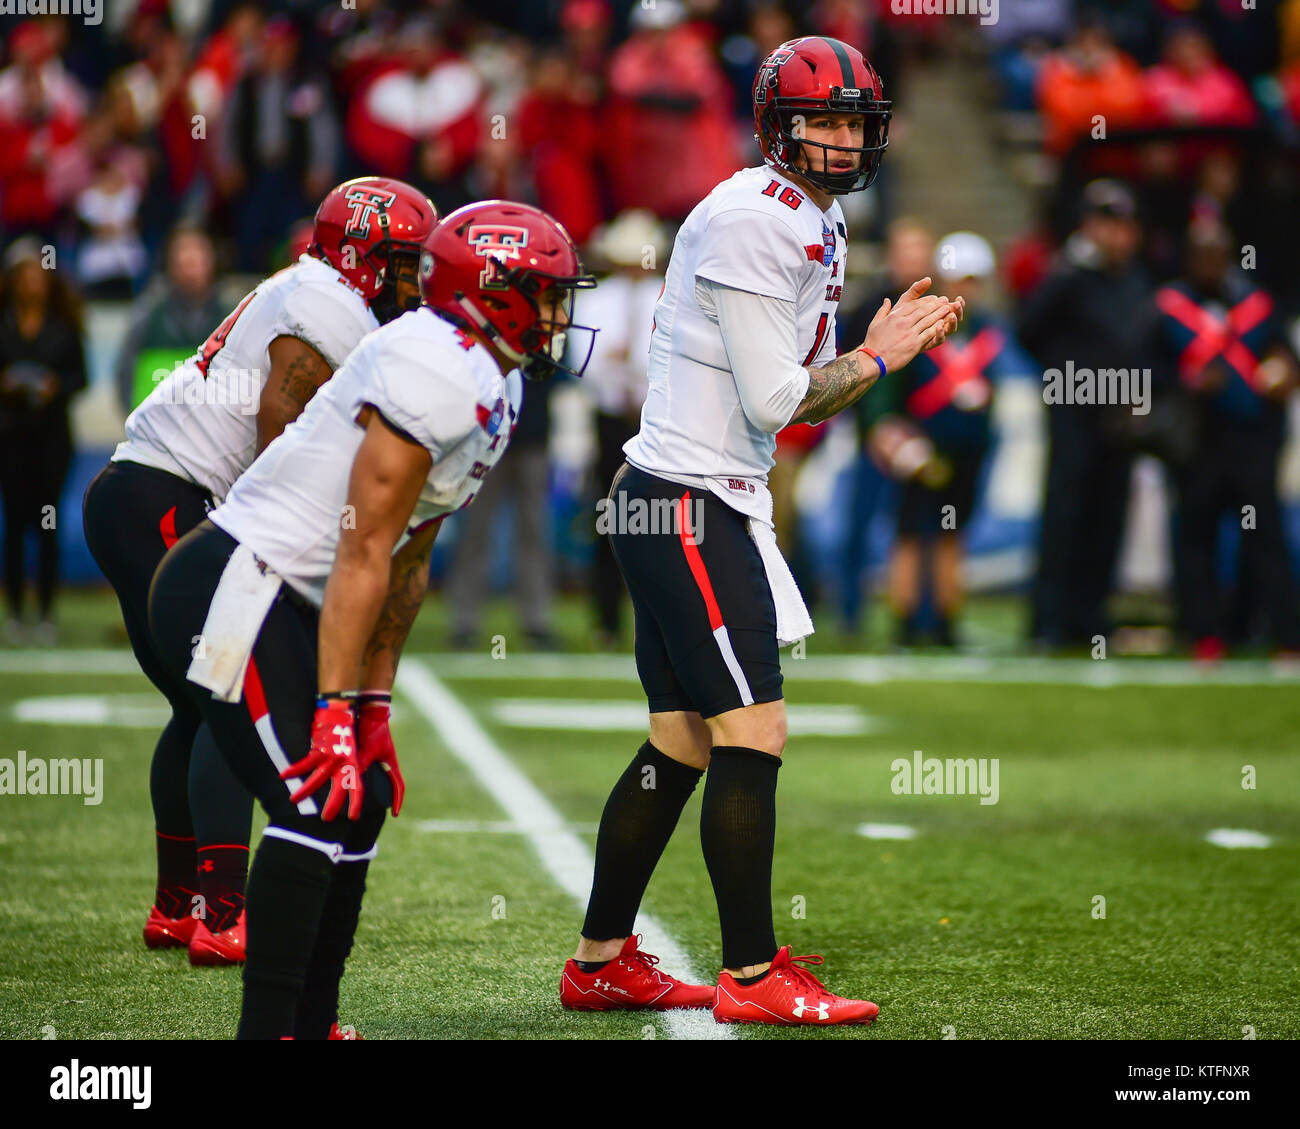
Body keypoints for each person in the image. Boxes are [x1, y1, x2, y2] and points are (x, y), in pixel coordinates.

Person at [561, 37, 960, 1025]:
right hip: (687, 498)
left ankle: (602, 957)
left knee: (681, 741)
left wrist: (866, 364)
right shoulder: (752, 219)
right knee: (753, 729)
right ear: (776, 127)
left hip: (693, 494)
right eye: (819, 121)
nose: (837, 139)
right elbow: (782, 395)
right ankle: (748, 973)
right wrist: (877, 357)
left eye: (850, 122)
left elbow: (802, 402)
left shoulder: (811, 223)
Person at [145, 200, 595, 1038]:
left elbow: (409, 562)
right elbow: (362, 549)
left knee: (360, 795)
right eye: (547, 293)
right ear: (495, 295)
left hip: (296, 591)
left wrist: (372, 707)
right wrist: (331, 711)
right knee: (315, 800)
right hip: (238, 580)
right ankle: (274, 1026)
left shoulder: (490, 380)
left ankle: (313, 1020)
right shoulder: (434, 364)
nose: (561, 314)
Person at [82, 178, 436, 968]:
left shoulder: (314, 287)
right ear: (365, 258)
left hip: (140, 491)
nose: (418, 281)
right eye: (406, 264)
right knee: (223, 699)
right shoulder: (331, 305)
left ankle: (180, 904)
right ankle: (223, 909)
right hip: (167, 495)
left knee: (194, 705)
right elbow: (280, 416)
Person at [869, 232, 1029, 647]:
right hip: (922, 445)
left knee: (950, 533)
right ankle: (904, 621)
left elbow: (997, 386)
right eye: (960, 279)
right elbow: (893, 381)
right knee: (909, 532)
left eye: (973, 281)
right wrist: (893, 431)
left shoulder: (991, 329)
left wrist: (986, 404)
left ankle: (944, 620)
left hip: (968, 448)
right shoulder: (925, 320)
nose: (966, 289)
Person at [1148, 221, 1300, 658]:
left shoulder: (1258, 303)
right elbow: (1142, 369)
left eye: (1218, 254)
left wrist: (1283, 371)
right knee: (1195, 539)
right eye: (1201, 256)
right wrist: (1187, 382)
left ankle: (1280, 633)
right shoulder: (1167, 307)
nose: (1210, 264)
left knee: (1264, 538)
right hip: (1196, 446)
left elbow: (1285, 357)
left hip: (1252, 443)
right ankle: (1204, 634)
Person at [1019, 179, 1151, 649]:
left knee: (1108, 512)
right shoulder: (1066, 275)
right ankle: (1050, 622)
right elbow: (1028, 330)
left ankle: (1090, 617)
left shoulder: (1133, 278)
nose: (1119, 236)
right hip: (1075, 410)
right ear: (1090, 226)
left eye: (1125, 226)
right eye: (1109, 224)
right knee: (1067, 510)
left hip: (1120, 414)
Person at [0, 238, 87, 645]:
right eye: (25, 275)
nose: (32, 282)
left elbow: (80, 378)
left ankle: (46, 612)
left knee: (46, 523)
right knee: (15, 524)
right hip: (10, 437)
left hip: (51, 440)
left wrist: (56, 386)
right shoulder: (4, 324)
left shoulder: (63, 325)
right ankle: (16, 612)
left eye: (38, 273)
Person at [114, 223, 226, 415]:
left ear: (212, 260)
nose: (189, 259)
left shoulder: (231, 317)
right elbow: (126, 374)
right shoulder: (147, 313)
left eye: (197, 251)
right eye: (182, 252)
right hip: (156, 434)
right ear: (169, 262)